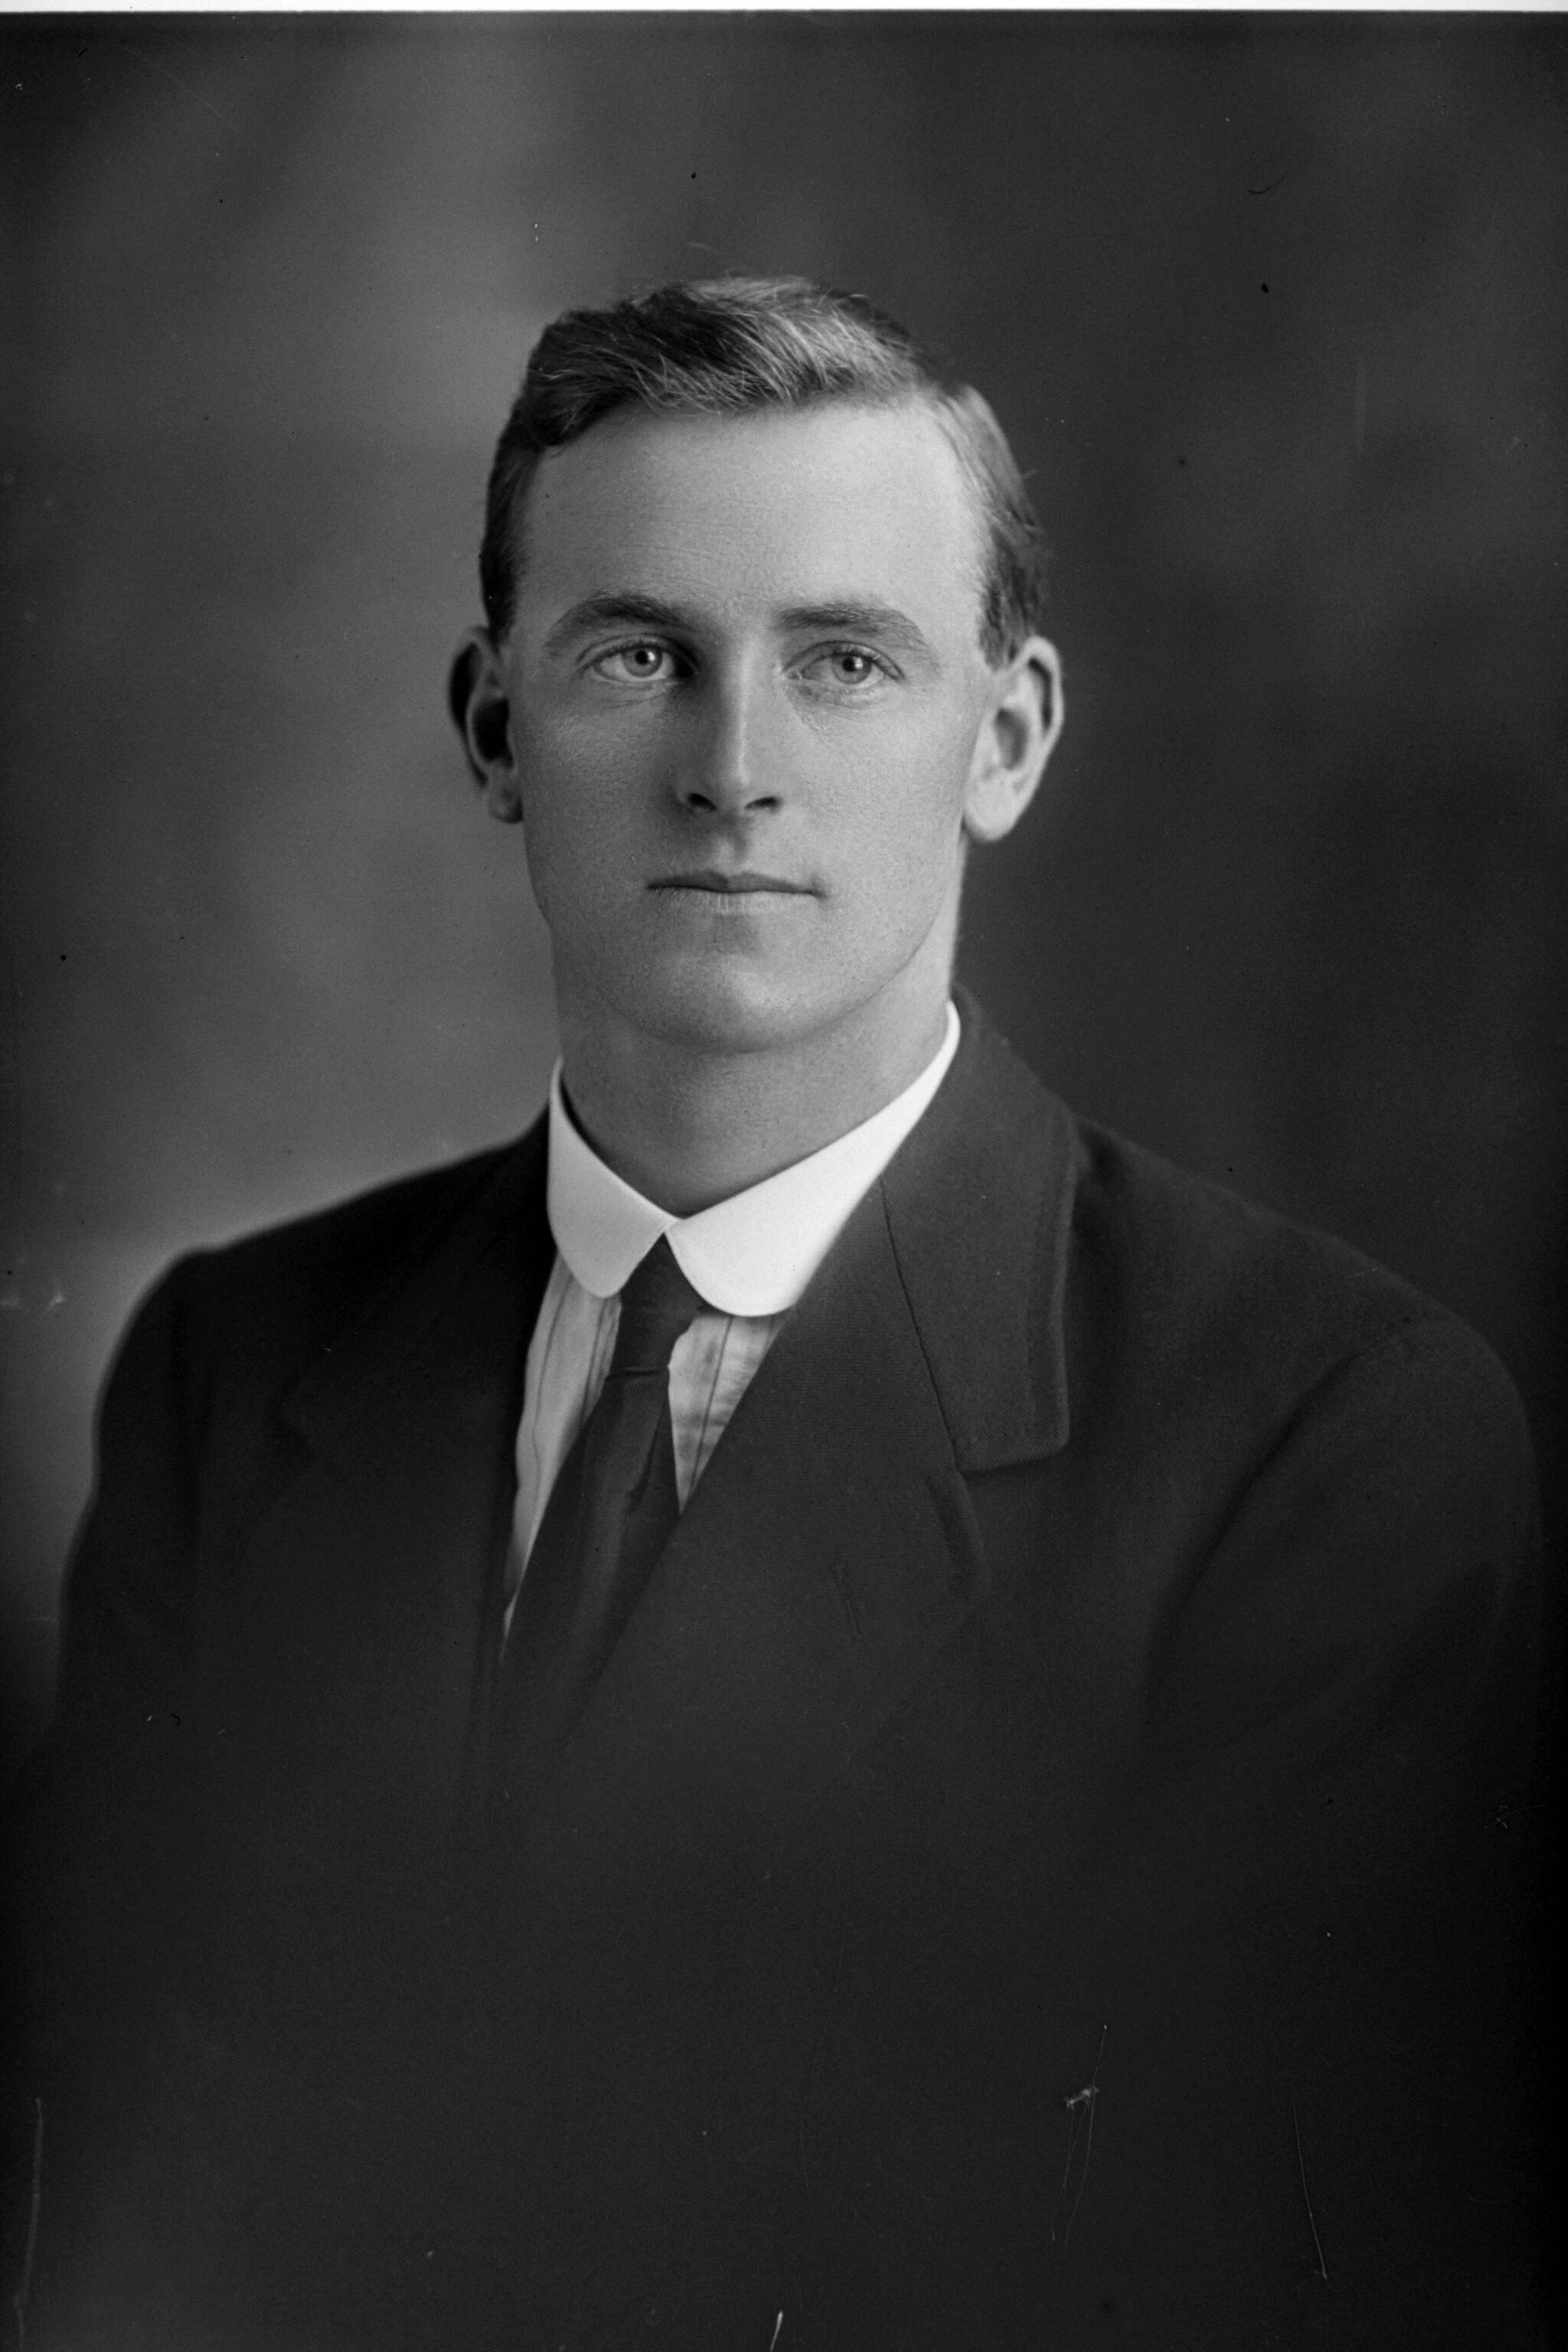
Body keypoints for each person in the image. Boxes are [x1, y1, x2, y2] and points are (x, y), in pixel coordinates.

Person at [5, 278, 1544, 2349]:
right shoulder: (237, 1366)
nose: (735, 771)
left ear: (1005, 740)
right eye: (640, 656)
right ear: (493, 732)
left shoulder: (1318, 1442)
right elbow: (118, 2194)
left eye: (846, 662)